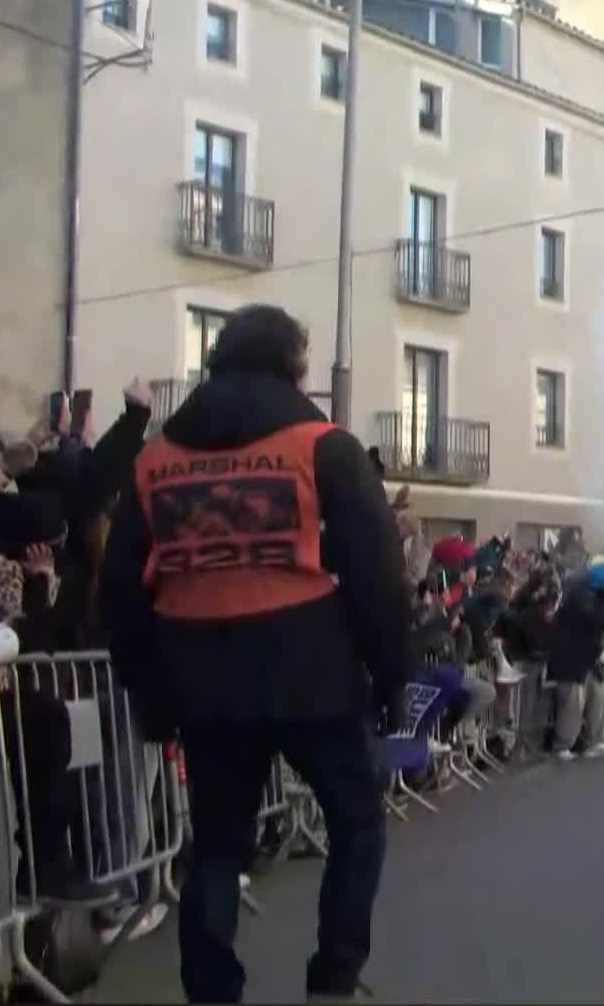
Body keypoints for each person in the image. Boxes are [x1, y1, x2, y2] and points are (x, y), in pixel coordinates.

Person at [99, 303, 409, 1003]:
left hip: (201, 675)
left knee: (215, 844)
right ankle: (334, 974)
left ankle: (211, 988)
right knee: (358, 819)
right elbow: (377, 572)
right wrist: (394, 677)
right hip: (311, 669)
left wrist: (148, 692)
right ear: (295, 365)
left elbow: (118, 589)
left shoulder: (155, 461)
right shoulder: (323, 447)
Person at [548, 564, 604, 759]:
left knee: (599, 696)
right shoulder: (580, 598)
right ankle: (563, 745)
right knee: (573, 702)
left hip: (590, 658)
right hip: (570, 658)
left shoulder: (596, 598)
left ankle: (595, 741)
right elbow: (593, 620)